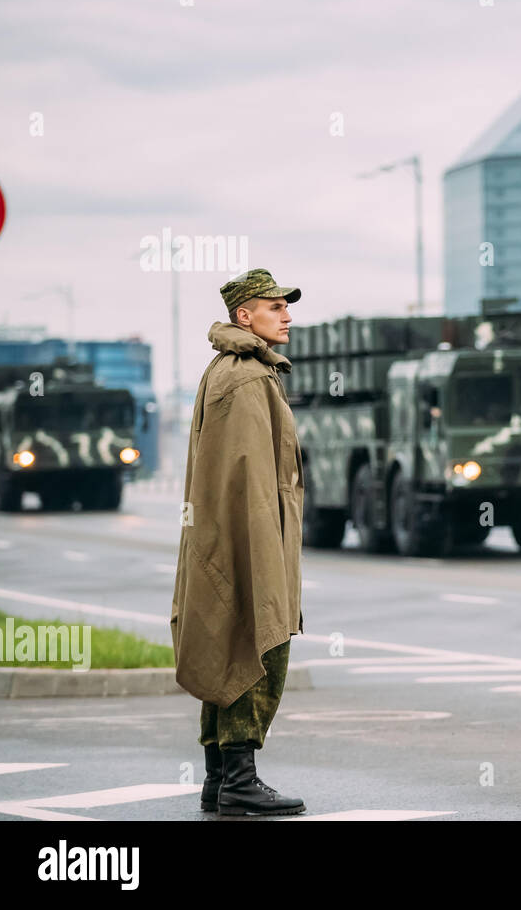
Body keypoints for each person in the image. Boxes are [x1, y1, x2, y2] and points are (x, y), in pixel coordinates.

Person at [170, 268, 307, 817]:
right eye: (275, 307)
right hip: (250, 538)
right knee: (259, 640)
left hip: (230, 536)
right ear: (244, 316)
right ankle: (240, 782)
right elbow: (250, 481)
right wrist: (266, 556)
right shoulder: (248, 377)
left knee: (226, 640)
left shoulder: (231, 369)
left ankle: (220, 779)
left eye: (286, 306)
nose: (288, 315)